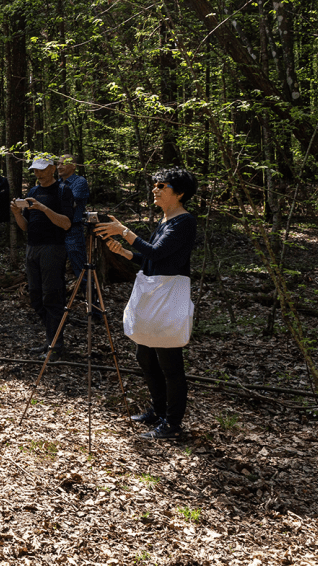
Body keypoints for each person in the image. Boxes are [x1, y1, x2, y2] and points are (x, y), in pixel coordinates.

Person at [94, 167, 199, 440]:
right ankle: (157, 410)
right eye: (155, 185)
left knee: (170, 363)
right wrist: (126, 252)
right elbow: (152, 259)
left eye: (161, 185)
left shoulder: (183, 222)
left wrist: (124, 231)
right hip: (155, 297)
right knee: (145, 356)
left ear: (180, 193)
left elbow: (156, 252)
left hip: (169, 297)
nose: (155, 189)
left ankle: (172, 423)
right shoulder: (166, 221)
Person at [11, 155, 73, 354]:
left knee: (52, 296)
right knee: (36, 296)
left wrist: (44, 208)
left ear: (52, 169)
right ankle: (50, 340)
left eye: (41, 169)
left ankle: (56, 346)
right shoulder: (33, 191)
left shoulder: (63, 190)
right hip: (33, 247)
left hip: (53, 248)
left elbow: (66, 223)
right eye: (35, 169)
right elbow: (26, 227)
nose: (37, 173)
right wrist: (17, 214)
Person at [57, 155, 90, 277]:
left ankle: (90, 294)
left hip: (73, 230)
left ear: (73, 166)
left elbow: (70, 205)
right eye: (58, 164)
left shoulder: (80, 182)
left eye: (63, 164)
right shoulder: (57, 183)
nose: (59, 167)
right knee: (56, 268)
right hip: (57, 230)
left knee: (80, 268)